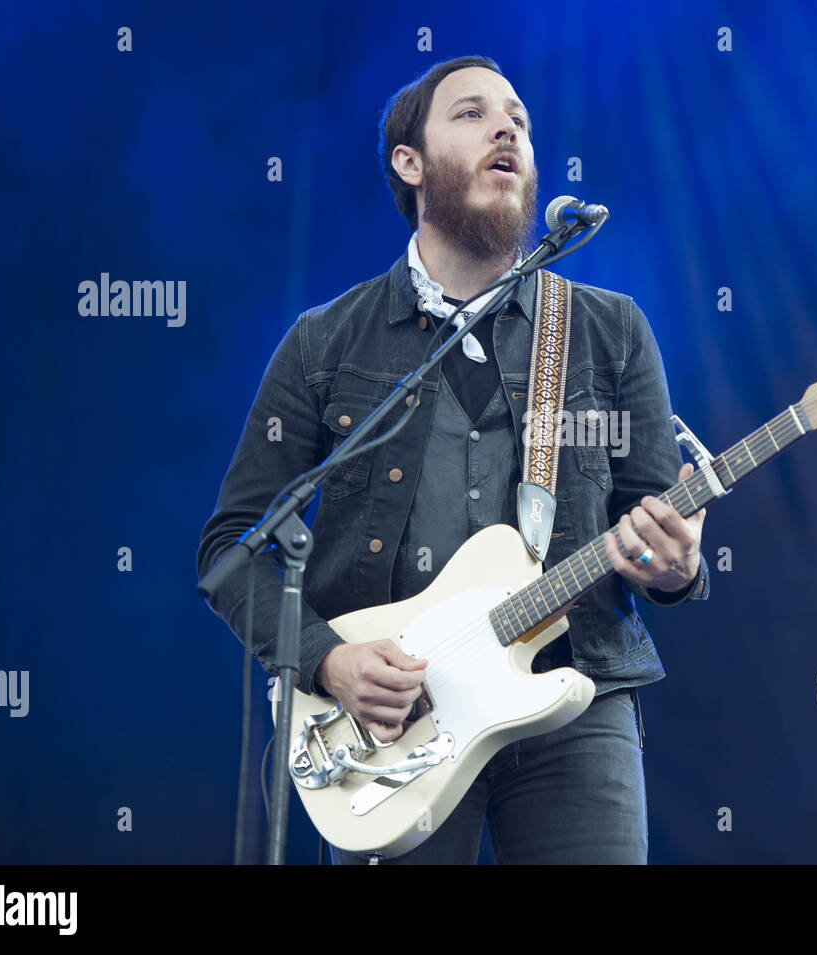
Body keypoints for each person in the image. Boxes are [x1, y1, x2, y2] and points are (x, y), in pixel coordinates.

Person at [197, 55, 708, 864]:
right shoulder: (325, 343)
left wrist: (675, 565)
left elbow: (656, 532)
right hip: (396, 723)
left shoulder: (609, 332)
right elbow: (231, 550)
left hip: (577, 701)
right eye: (472, 114)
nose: (508, 128)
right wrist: (329, 659)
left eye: (520, 122)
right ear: (410, 162)